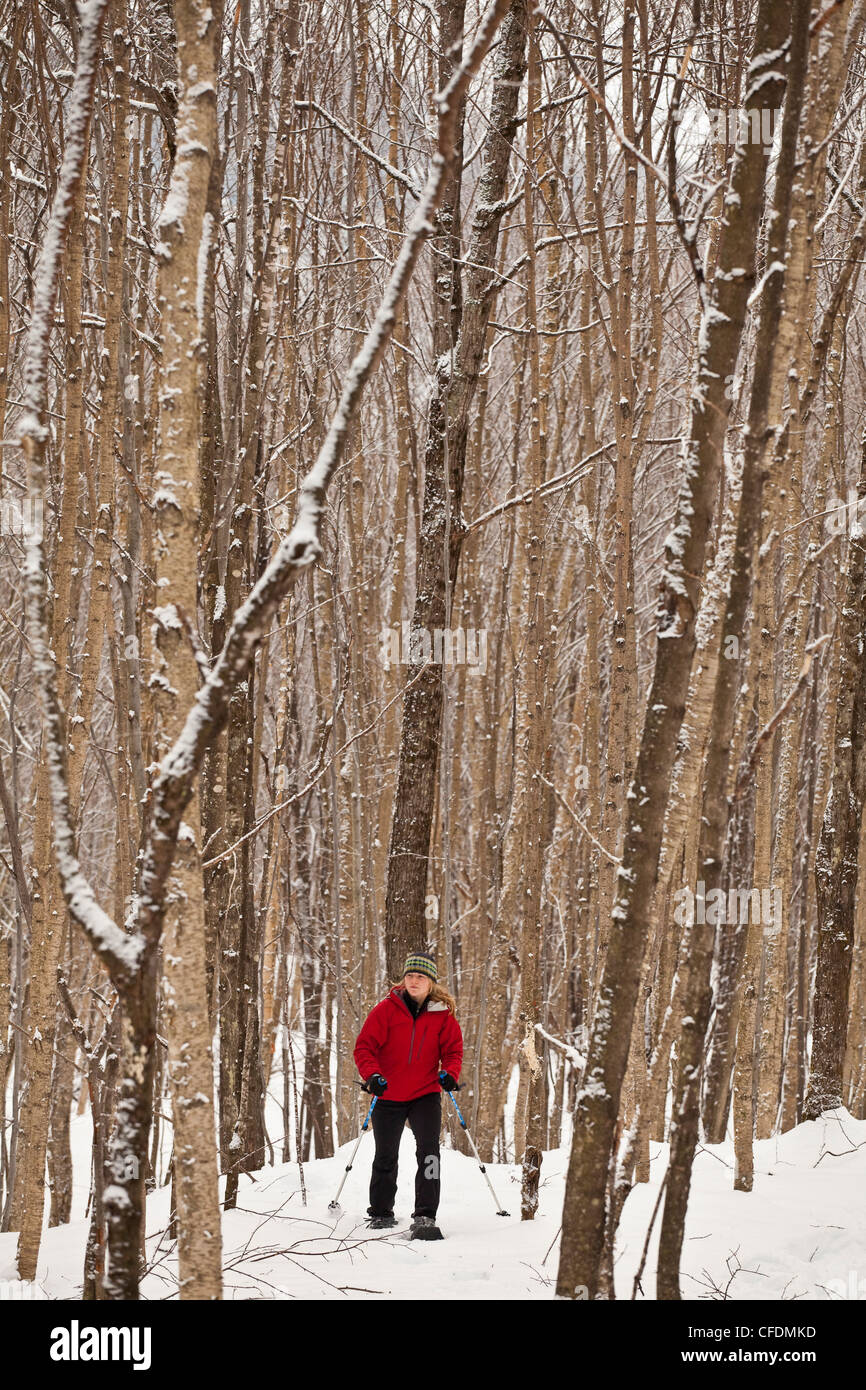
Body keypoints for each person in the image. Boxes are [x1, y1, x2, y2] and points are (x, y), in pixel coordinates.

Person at [353, 951, 463, 1239]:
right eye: (410, 975)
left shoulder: (442, 1014)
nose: (413, 981)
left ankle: (425, 1215)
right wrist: (372, 1076)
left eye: (420, 977)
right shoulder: (386, 1009)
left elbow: (453, 1051)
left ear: (431, 983)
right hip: (388, 1093)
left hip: (425, 1093)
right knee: (385, 1155)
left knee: (429, 1155)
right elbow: (364, 1047)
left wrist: (451, 1073)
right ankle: (380, 1213)